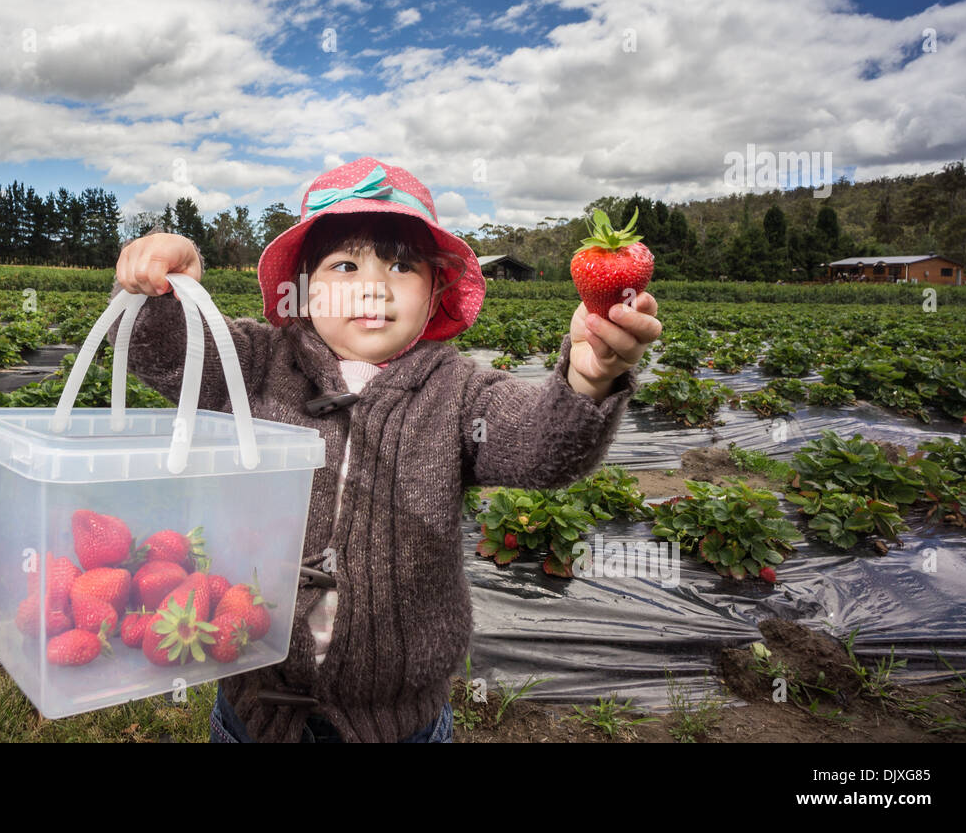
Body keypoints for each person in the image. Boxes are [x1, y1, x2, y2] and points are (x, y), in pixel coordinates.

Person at [109, 156, 662, 743]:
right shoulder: (255, 361)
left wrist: (587, 382)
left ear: (434, 293)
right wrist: (168, 290)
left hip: (399, 720)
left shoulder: (460, 391)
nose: (373, 286)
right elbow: (166, 353)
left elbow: (540, 448)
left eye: (401, 266)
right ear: (302, 288)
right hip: (255, 703)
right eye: (344, 265)